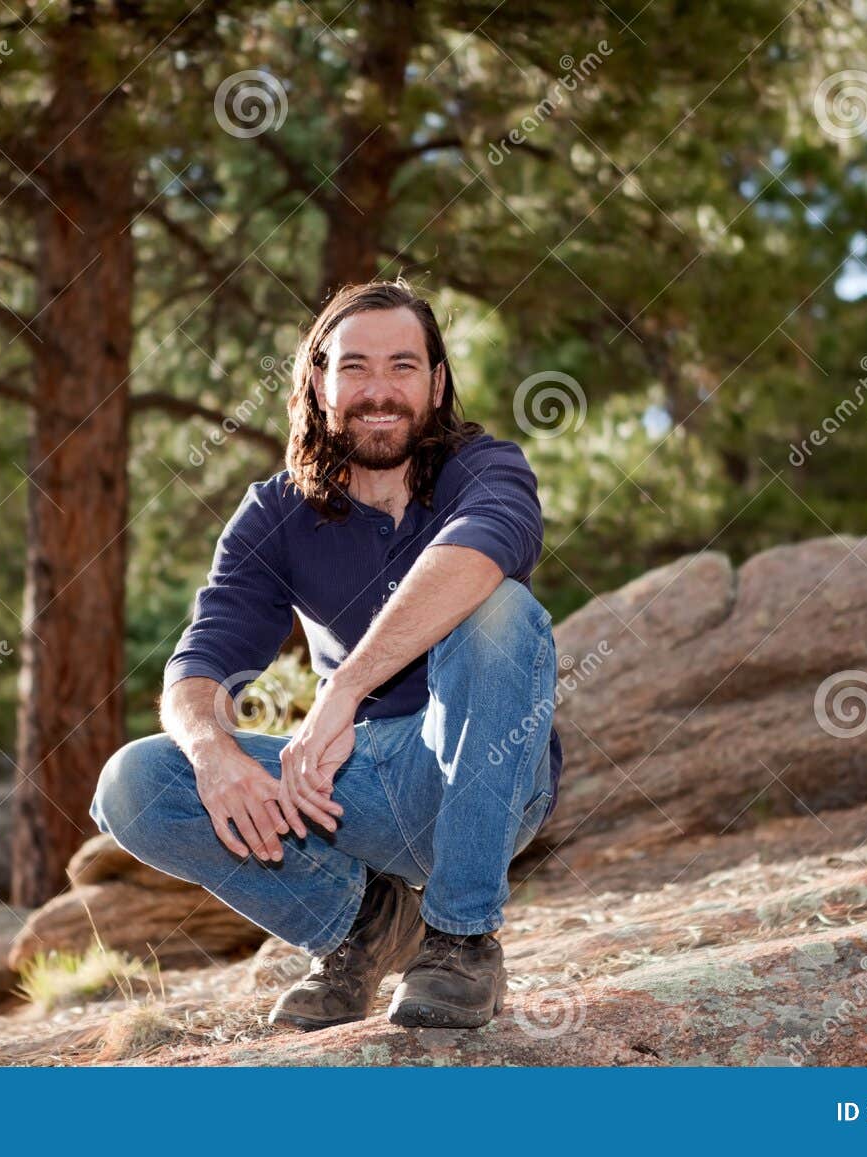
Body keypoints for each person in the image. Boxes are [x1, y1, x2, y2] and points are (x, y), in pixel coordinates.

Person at [90, 278, 563, 1031]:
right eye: (355, 367)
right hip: (354, 786)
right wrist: (214, 752)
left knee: (499, 610)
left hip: (492, 771)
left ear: (437, 385)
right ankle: (363, 928)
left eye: (403, 366)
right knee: (134, 782)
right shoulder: (276, 512)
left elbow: (476, 558)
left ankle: (462, 939)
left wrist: (342, 689)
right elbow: (201, 662)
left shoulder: (487, 467)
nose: (380, 390)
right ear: (318, 381)